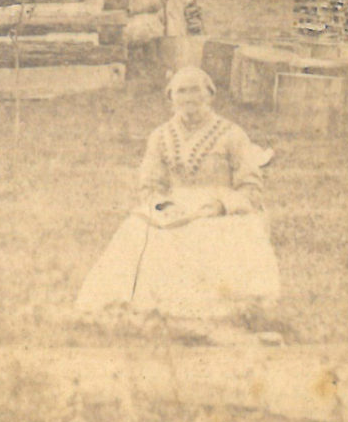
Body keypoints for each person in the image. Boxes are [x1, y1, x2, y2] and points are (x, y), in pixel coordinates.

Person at [75, 65, 280, 331]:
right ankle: (151, 308)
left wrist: (221, 206)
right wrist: (165, 207)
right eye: (181, 91)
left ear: (210, 94)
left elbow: (250, 187)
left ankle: (221, 313)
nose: (188, 98)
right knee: (139, 231)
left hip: (221, 212)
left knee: (213, 237)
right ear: (170, 97)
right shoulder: (160, 136)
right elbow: (150, 185)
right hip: (173, 210)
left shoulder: (232, 134)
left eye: (195, 90)